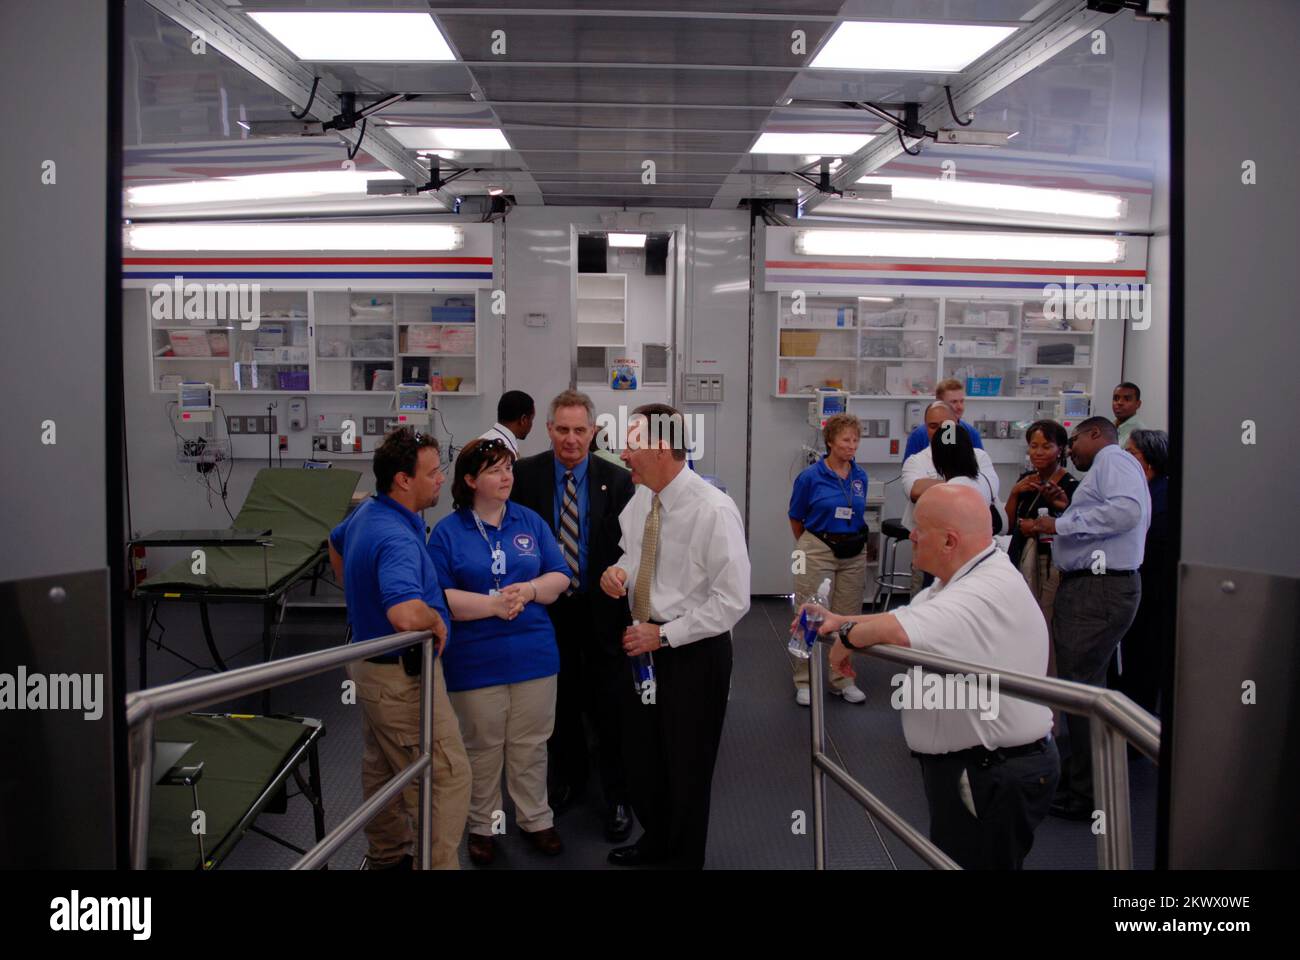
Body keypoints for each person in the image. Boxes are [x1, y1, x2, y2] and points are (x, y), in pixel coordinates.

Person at [803, 485, 1059, 870]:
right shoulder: (957, 579)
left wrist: (846, 639)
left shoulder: (984, 592)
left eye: (919, 528)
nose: (911, 535)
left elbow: (898, 631)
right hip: (974, 766)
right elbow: (905, 618)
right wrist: (843, 622)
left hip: (993, 772)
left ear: (950, 540)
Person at [599, 403, 750, 868]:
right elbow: (632, 552)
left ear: (662, 447)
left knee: (687, 765)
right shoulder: (643, 496)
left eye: (633, 443)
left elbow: (732, 600)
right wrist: (618, 573)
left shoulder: (714, 509)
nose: (623, 453)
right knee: (643, 759)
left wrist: (663, 637)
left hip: (692, 654)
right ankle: (657, 840)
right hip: (642, 647)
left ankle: (683, 858)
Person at [327, 428, 471, 870]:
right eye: (433, 473)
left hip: (368, 668)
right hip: (399, 679)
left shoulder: (370, 510)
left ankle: (387, 856)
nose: (441, 480)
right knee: (446, 777)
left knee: (385, 765)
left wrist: (355, 593)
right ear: (404, 480)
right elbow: (405, 613)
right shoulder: (396, 538)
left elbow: (334, 542)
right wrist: (434, 618)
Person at [428, 438, 573, 865]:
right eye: (494, 470)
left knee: (531, 745)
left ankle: (535, 819)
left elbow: (560, 576)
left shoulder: (529, 522)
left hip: (534, 654)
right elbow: (438, 594)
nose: (506, 476)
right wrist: (491, 605)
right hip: (474, 659)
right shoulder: (448, 532)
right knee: (482, 748)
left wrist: (528, 590)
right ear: (470, 480)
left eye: (508, 467)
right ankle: (484, 826)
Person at [511, 390, 637, 842]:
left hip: (603, 610)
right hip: (547, 611)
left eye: (579, 430)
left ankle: (618, 795)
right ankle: (567, 782)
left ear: (594, 431)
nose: (570, 439)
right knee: (557, 702)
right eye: (561, 429)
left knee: (611, 703)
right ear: (548, 429)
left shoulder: (618, 480)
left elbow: (632, 547)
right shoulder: (524, 477)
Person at [1023, 416, 1149, 820]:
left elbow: (1125, 514)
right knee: (1084, 688)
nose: (1069, 449)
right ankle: (1084, 780)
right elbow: (1109, 515)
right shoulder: (1109, 468)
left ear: (1097, 435)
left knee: (1079, 691)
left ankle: (1086, 795)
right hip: (1094, 587)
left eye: (1074, 440)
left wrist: (1059, 523)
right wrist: (1067, 509)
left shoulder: (1112, 459)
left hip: (1098, 590)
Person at [787, 413, 870, 705]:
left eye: (856, 440)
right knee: (809, 612)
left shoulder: (860, 477)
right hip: (817, 545)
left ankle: (842, 678)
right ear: (831, 441)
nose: (852, 445)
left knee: (848, 618)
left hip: (852, 550)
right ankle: (804, 679)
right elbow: (796, 517)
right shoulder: (810, 477)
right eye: (846, 439)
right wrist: (809, 547)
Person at [1005, 420, 1080, 728]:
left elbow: (1074, 526)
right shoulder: (1026, 481)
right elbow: (1007, 524)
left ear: (1060, 449)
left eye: (1046, 446)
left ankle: (1046, 705)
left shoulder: (1071, 486)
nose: (1038, 452)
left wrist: (1039, 524)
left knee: (1044, 625)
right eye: (1033, 446)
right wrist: (1014, 493)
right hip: (1021, 558)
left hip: (1051, 565)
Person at [1110, 429, 1170, 715]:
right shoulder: (1144, 492)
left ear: (1149, 461)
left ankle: (1135, 737)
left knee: (1144, 660)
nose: (1124, 459)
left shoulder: (1161, 498)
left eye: (1131, 453)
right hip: (1142, 590)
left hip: (1154, 594)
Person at [902, 378, 985, 460]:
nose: (960, 407)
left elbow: (981, 467)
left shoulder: (972, 434)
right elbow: (909, 469)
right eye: (954, 402)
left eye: (962, 401)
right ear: (939, 403)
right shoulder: (919, 436)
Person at [479, 389, 536, 457]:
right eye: (531, 419)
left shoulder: (485, 440)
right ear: (523, 419)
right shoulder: (502, 450)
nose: (531, 425)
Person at [1112, 382, 1145, 447]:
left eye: (1127, 399)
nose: (1119, 402)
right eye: (1116, 398)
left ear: (1138, 404)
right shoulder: (1109, 426)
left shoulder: (1141, 433)